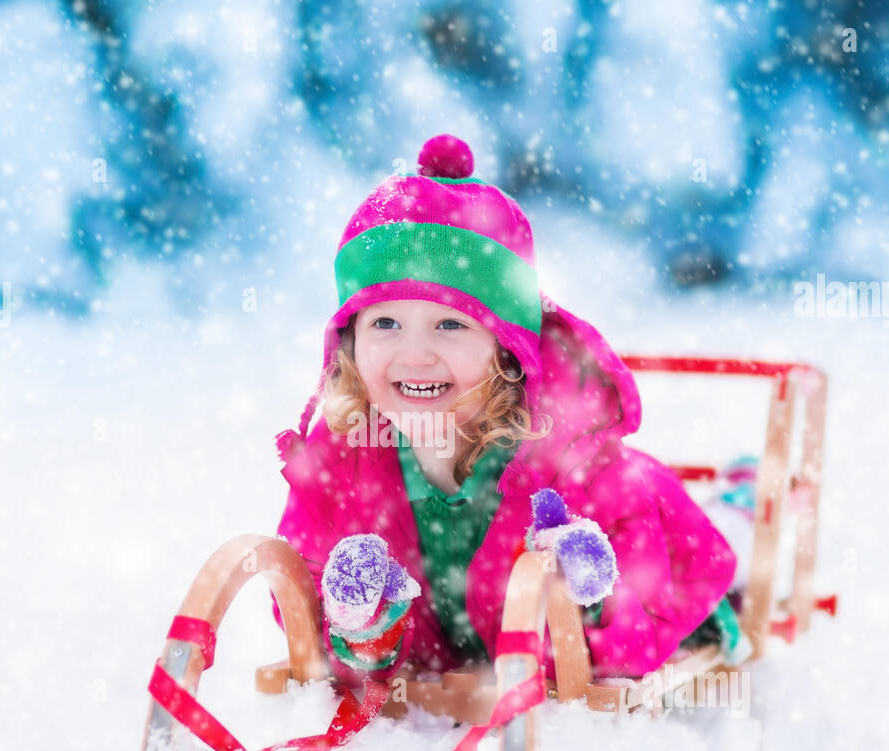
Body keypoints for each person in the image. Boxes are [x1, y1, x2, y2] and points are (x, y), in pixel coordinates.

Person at [272, 133, 743, 685]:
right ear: (350, 341)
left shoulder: (575, 465)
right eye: (385, 324)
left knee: (734, 551)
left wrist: (591, 599)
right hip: (468, 640)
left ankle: (741, 498)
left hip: (676, 546)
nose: (415, 354)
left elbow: (638, 633)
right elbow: (303, 597)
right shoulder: (341, 461)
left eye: (451, 324)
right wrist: (360, 624)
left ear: (507, 349)